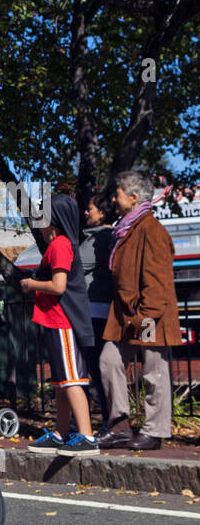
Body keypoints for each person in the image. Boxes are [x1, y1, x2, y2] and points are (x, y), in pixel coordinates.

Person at [96, 170, 183, 451]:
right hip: (126, 316)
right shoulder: (128, 227)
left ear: (134, 197)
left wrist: (143, 317)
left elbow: (158, 283)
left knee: (153, 372)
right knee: (109, 361)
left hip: (149, 317)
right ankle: (120, 426)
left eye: (118, 193)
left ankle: (153, 432)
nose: (113, 198)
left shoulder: (151, 229)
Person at [20, 193, 99, 455]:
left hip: (62, 321)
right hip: (55, 321)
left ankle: (86, 436)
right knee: (62, 382)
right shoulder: (60, 245)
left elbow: (58, 285)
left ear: (54, 221)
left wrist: (31, 285)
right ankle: (61, 432)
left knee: (72, 379)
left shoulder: (61, 245)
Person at [81, 190, 115, 431]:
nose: (86, 212)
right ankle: (104, 419)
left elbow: (75, 264)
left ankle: (106, 420)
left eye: (90, 209)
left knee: (94, 366)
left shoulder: (100, 237)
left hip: (95, 311)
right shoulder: (99, 236)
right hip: (97, 309)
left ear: (102, 213)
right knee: (94, 366)